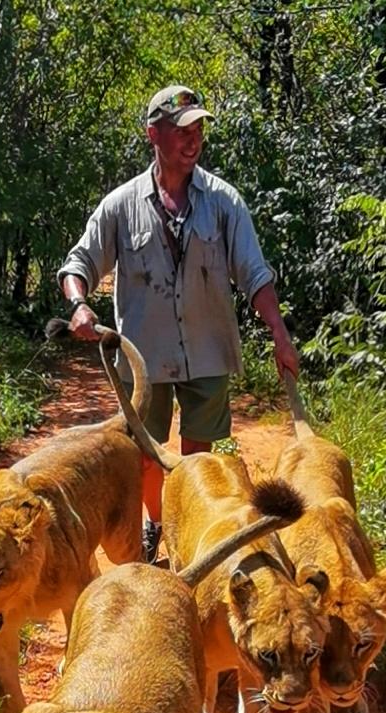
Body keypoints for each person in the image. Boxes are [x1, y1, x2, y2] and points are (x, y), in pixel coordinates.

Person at [58, 84, 300, 562]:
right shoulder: (122, 205)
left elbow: (255, 274)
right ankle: (156, 525)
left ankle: (190, 532)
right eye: (181, 130)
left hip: (208, 351)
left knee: (198, 457)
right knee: (146, 453)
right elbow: (78, 263)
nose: (193, 140)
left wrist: (280, 334)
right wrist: (79, 304)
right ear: (154, 134)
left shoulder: (224, 202)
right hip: (143, 358)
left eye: (199, 129)